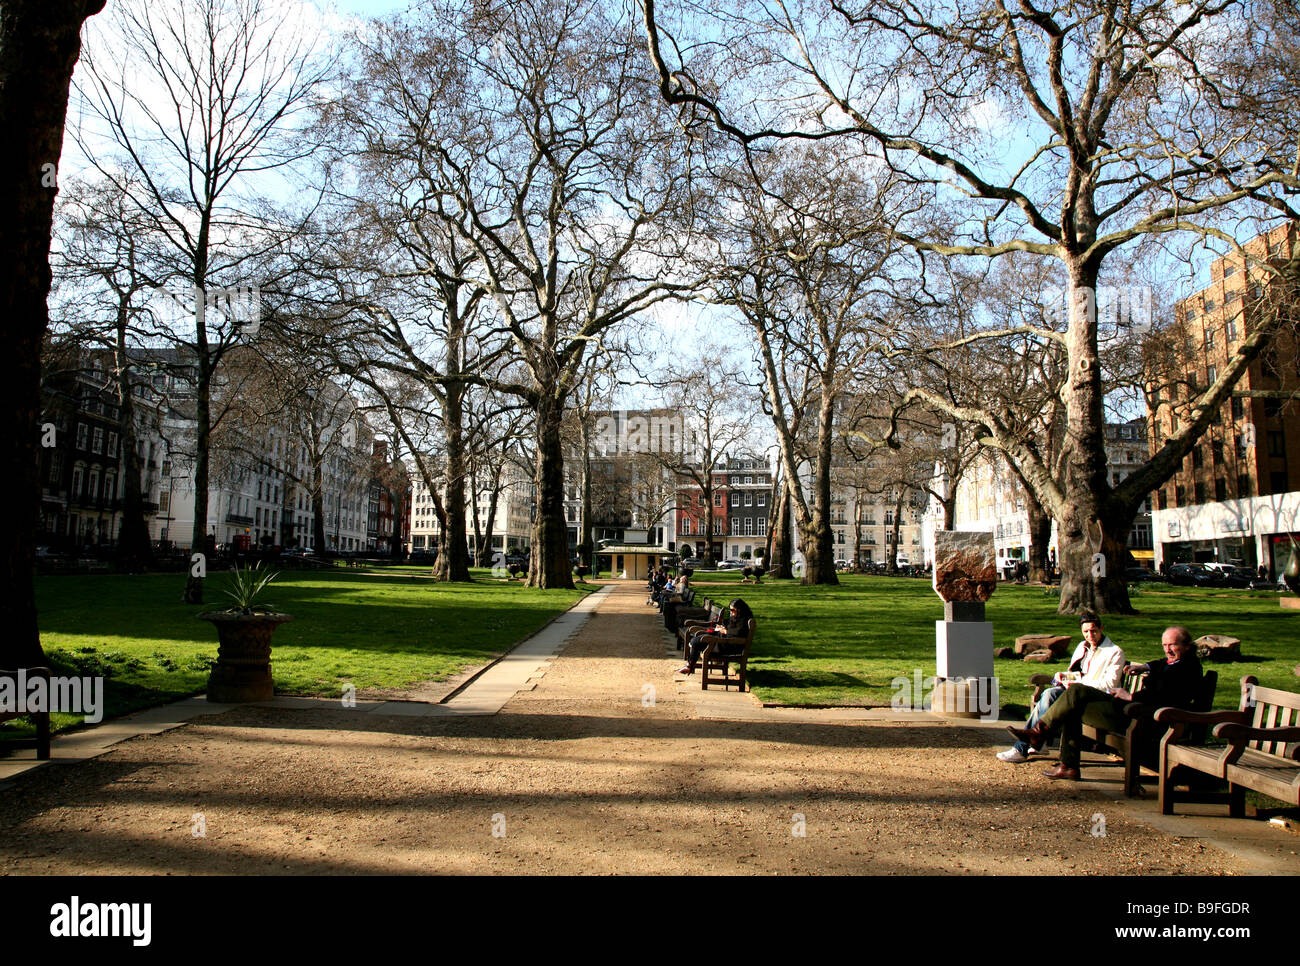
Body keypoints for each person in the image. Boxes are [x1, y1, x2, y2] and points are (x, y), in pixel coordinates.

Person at [1008, 626, 1204, 780]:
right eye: (1164, 645)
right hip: (1132, 711)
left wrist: (1131, 697)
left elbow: (1169, 697)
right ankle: (1059, 757)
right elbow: (1161, 662)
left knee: (1074, 698)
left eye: (1173, 645)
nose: (1168, 650)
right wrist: (1145, 666)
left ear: (1187, 646)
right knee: (1073, 699)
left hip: (1144, 718)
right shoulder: (1173, 662)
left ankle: (1044, 739)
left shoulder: (1188, 668)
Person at [996, 614, 1125, 762]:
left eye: (1094, 630)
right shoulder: (1082, 647)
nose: (1090, 635)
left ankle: (1025, 747)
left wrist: (1079, 684)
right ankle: (1037, 741)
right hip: (1076, 693)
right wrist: (1063, 676)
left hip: (1098, 699)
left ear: (1101, 628)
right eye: (1085, 632)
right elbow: (1077, 673)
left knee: (1052, 695)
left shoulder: (1115, 652)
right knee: (1050, 693)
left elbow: (1110, 685)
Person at [677, 598, 753, 675]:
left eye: (733, 610)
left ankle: (689, 666)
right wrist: (721, 628)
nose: (731, 612)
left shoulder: (744, 620)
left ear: (739, 610)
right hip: (722, 640)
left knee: (697, 641)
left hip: (728, 645)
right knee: (697, 639)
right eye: (730, 610)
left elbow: (738, 633)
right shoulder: (737, 617)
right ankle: (689, 665)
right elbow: (730, 627)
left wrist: (725, 631)